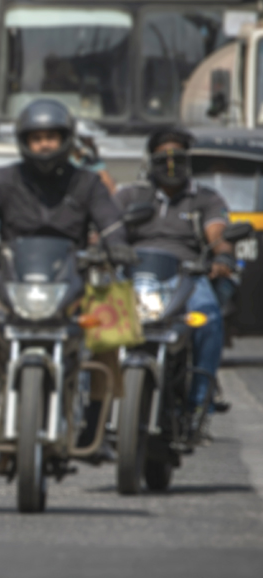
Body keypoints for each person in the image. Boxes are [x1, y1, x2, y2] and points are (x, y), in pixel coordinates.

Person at [0, 99, 133, 450]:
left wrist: (117, 244)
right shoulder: (4, 179)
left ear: (66, 140)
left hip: (75, 283)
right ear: (25, 141)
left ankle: (96, 422)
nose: (44, 145)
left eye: (51, 137)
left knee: (112, 327)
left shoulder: (87, 183)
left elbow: (111, 223)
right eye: (37, 137)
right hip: (13, 283)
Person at [114, 127, 233, 440]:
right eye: (162, 157)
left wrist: (222, 256)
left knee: (207, 318)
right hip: (131, 277)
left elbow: (218, 234)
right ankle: (91, 405)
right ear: (150, 160)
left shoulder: (206, 198)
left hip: (186, 277)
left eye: (177, 158)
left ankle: (198, 404)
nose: (170, 165)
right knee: (94, 322)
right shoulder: (129, 195)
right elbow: (107, 230)